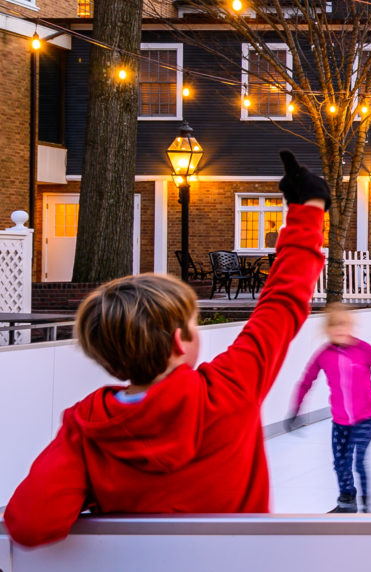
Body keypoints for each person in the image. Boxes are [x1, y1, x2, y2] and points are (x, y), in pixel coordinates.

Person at [3, 150, 328, 547]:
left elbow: (30, 522)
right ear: (180, 342)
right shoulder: (229, 387)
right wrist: (308, 209)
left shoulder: (89, 426)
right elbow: (282, 302)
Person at [290, 303, 371, 513]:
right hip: (340, 421)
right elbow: (306, 381)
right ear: (327, 329)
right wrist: (296, 409)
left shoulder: (364, 350)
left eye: (344, 324)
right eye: (335, 326)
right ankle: (347, 502)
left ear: (351, 326)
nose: (340, 329)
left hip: (367, 416)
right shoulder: (323, 354)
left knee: (359, 460)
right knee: (340, 462)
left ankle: (367, 503)